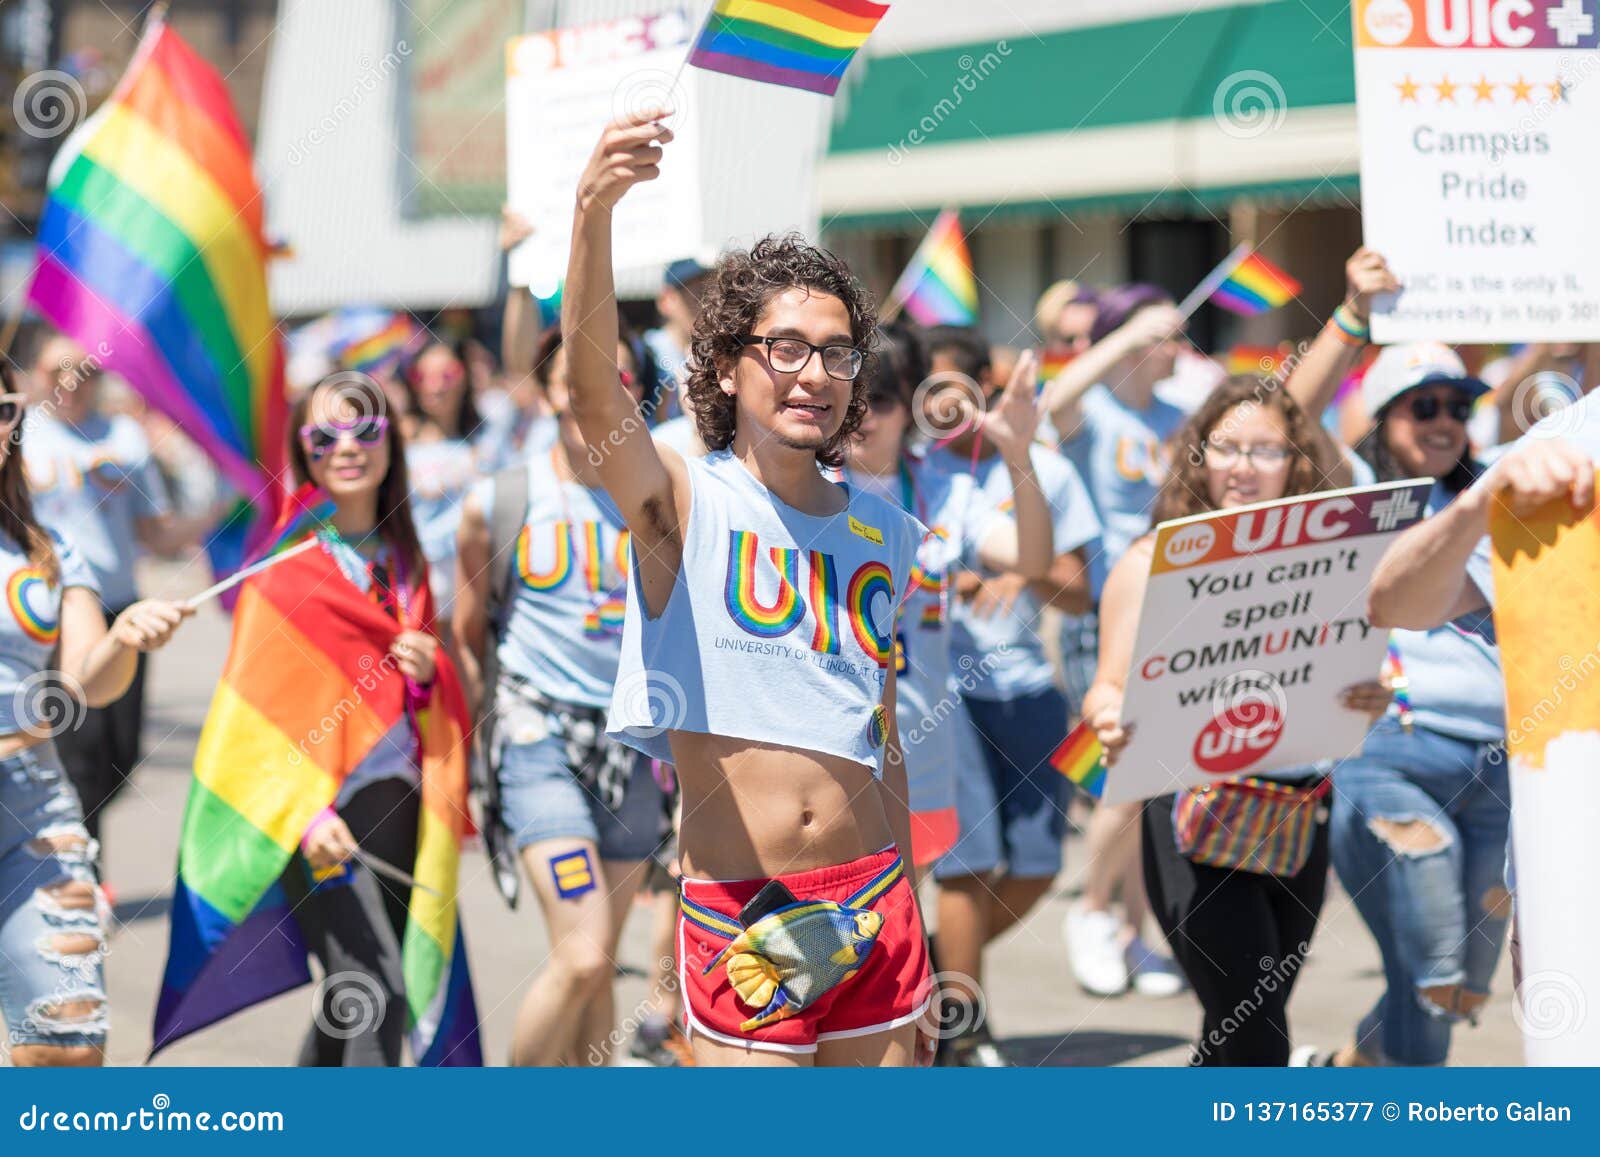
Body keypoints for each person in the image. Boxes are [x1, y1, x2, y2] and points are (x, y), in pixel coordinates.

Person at [564, 108, 940, 1066]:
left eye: (837, 351)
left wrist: (914, 919)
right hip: (745, 912)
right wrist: (594, 212)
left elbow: (881, 730)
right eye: (784, 348)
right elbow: (594, 397)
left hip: (877, 907)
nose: (814, 372)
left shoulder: (886, 534)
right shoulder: (681, 503)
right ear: (728, 367)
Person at [1086, 376, 1389, 1066]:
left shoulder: (1328, 562)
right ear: (1199, 454)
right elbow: (1106, 685)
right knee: (1255, 1033)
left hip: (1298, 810)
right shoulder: (1152, 557)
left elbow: (1350, 675)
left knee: (1242, 1021)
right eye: (1227, 447)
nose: (1244, 465)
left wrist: (1367, 697)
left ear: (1295, 462)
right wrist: (1109, 715)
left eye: (1266, 450)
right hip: (1193, 812)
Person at [1289, 341, 1510, 1067]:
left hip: (1502, 761)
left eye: (1458, 405)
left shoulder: (1494, 495)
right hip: (1389, 754)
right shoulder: (1350, 491)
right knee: (1432, 969)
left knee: (1466, 983)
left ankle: (1354, 1066)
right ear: (1382, 418)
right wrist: (1352, 315)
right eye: (1424, 405)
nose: (1444, 420)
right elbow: (1285, 413)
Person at [453, 322, 665, 1067]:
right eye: (576, 379)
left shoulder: (662, 500)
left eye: (620, 379)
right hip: (535, 736)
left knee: (599, 961)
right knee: (580, 955)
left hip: (633, 747)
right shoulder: (499, 501)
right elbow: (468, 630)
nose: (597, 395)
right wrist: (461, 757)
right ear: (546, 391)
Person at [915, 326, 1106, 1061]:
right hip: (943, 698)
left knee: (1035, 867)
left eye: (948, 394)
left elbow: (1083, 593)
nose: (935, 411)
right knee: (969, 861)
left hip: (1028, 691)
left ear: (979, 394)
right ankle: (962, 1018)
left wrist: (1017, 570)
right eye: (920, 395)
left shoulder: (1044, 471)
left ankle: (926, 972)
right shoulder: (908, 475)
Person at [0, 361, 190, 1065]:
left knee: (68, 1045)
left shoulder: (43, 550)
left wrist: (122, 637)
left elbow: (87, 680)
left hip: (32, 813)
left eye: (5, 410)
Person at [281, 373, 471, 1065]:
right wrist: (305, 812)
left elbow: (430, 696)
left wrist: (429, 673)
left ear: (391, 439)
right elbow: (258, 712)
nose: (347, 447)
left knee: (353, 989)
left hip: (397, 796)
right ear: (303, 452)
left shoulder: (408, 559)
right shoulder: (288, 562)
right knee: (374, 988)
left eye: (365, 429)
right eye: (324, 435)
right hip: (318, 809)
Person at [1039, 288, 1190, 997]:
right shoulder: (1096, 415)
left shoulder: (1179, 417)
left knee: (1157, 780)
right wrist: (1125, 333)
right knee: (1120, 771)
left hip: (1177, 617)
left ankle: (1136, 933)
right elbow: (1053, 400)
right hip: (1105, 619)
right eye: (1165, 337)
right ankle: (1092, 912)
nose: (1178, 349)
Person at [23, 334, 192, 862]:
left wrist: (227, 511)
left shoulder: (127, 438)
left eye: (84, 371)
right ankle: (81, 873)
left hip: (120, 612)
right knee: (80, 753)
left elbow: (155, 533)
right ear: (35, 376)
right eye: (57, 372)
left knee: (121, 756)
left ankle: (81, 856)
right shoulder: (19, 437)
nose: (70, 383)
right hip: (52, 617)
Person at [398, 337, 504, 618]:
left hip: (478, 588)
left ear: (465, 376)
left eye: (447, 375)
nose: (436, 386)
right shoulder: (398, 443)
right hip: (416, 588)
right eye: (423, 376)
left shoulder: (488, 438)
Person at [644, 257, 711, 419]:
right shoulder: (647, 352)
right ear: (665, 301)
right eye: (694, 296)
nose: (704, 305)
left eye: (707, 294)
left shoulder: (711, 354)